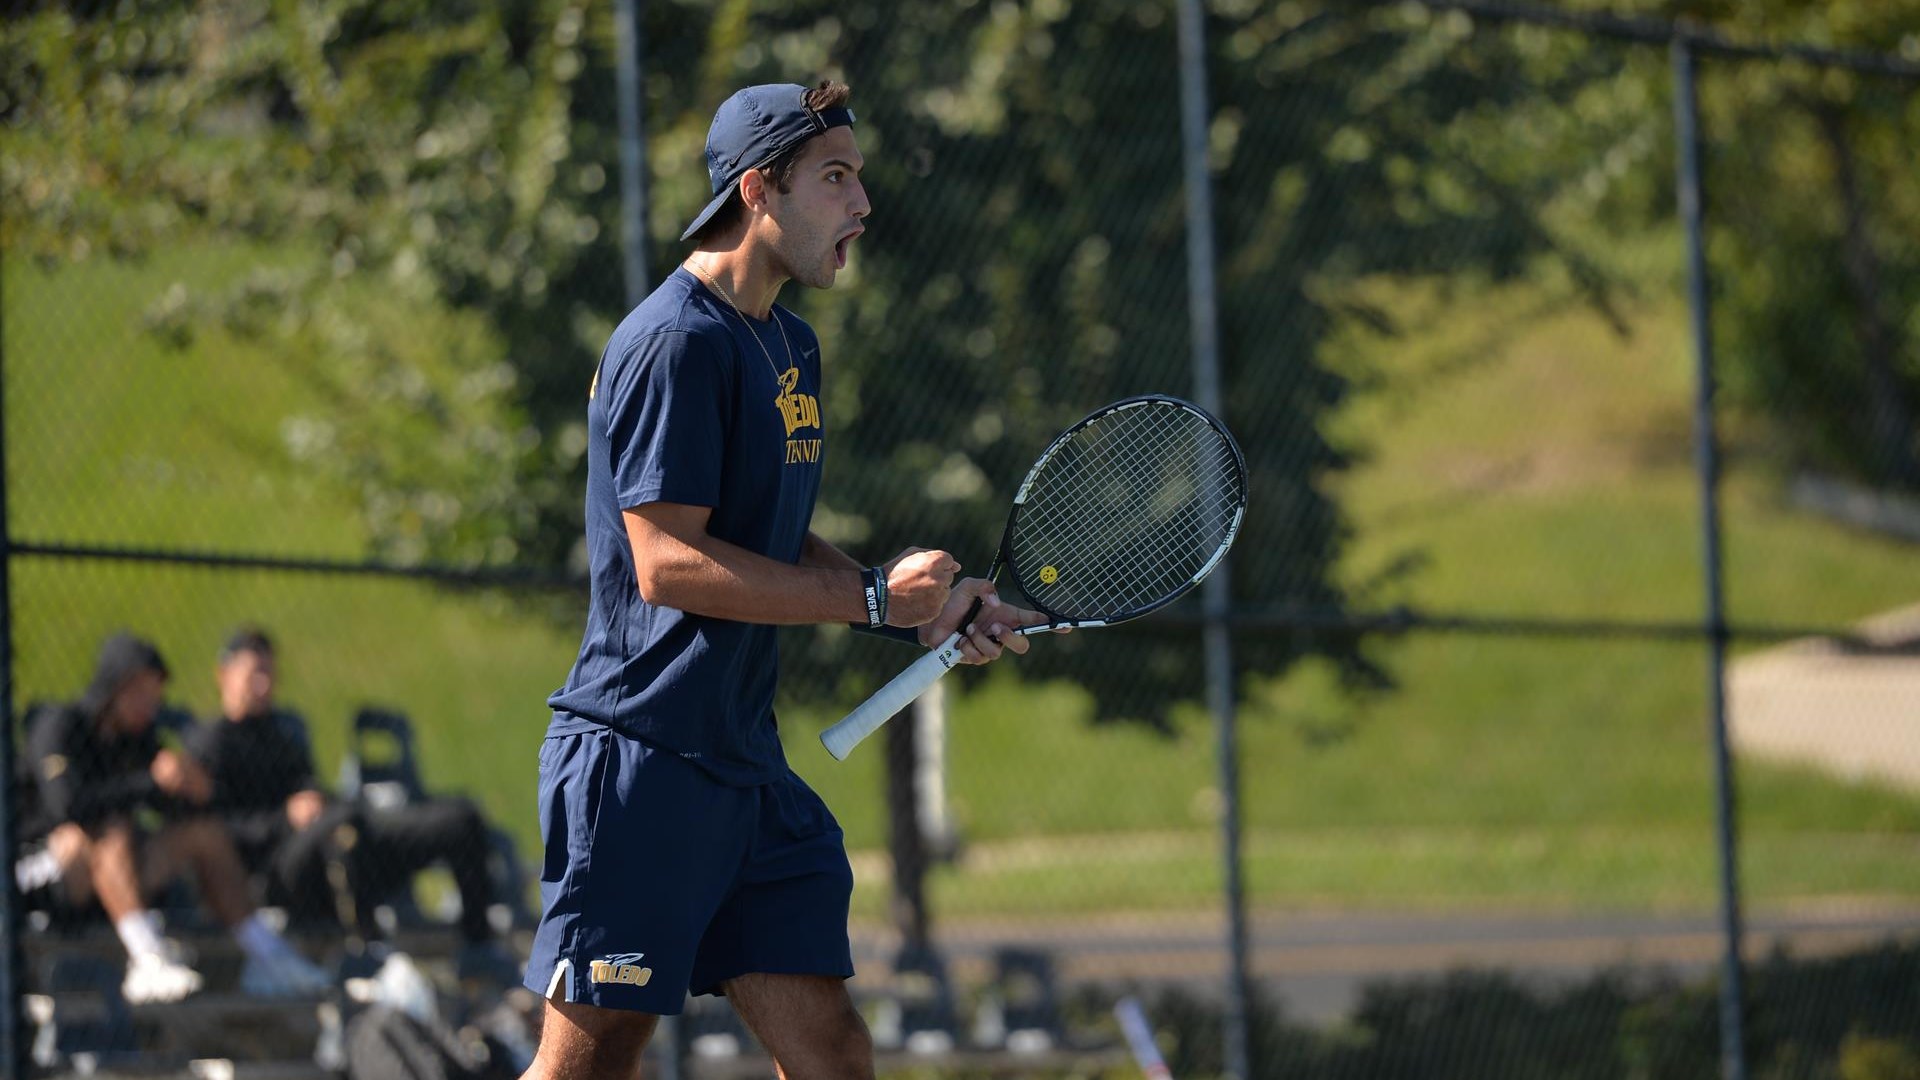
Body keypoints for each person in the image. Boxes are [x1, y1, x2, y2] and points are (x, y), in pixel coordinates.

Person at [520, 80, 1054, 1079]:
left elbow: (769, 541)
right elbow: (667, 564)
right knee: (590, 1064)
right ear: (759, 189)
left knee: (834, 1055)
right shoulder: (672, 343)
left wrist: (918, 609)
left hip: (742, 774)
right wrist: (864, 599)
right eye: (836, 179)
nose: (862, 206)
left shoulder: (788, 344)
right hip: (643, 765)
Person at [184, 626, 520, 985]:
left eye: (270, 673)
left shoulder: (280, 734)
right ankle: (369, 953)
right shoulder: (208, 744)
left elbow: (310, 788)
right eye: (255, 673)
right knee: (342, 829)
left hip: (343, 831)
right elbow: (216, 835)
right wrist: (285, 818)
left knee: (458, 819)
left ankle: (479, 946)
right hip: (279, 869)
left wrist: (318, 804)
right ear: (224, 674)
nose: (264, 685)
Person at [18, 632, 333, 1003]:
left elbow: (168, 807)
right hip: (43, 871)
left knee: (203, 833)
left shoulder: (138, 737)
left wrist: (194, 791)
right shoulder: (61, 725)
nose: (150, 708)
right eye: (141, 695)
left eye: (155, 698)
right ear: (116, 687)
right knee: (109, 827)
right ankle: (147, 957)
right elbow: (66, 806)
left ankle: (268, 955)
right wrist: (150, 783)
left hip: (114, 877)